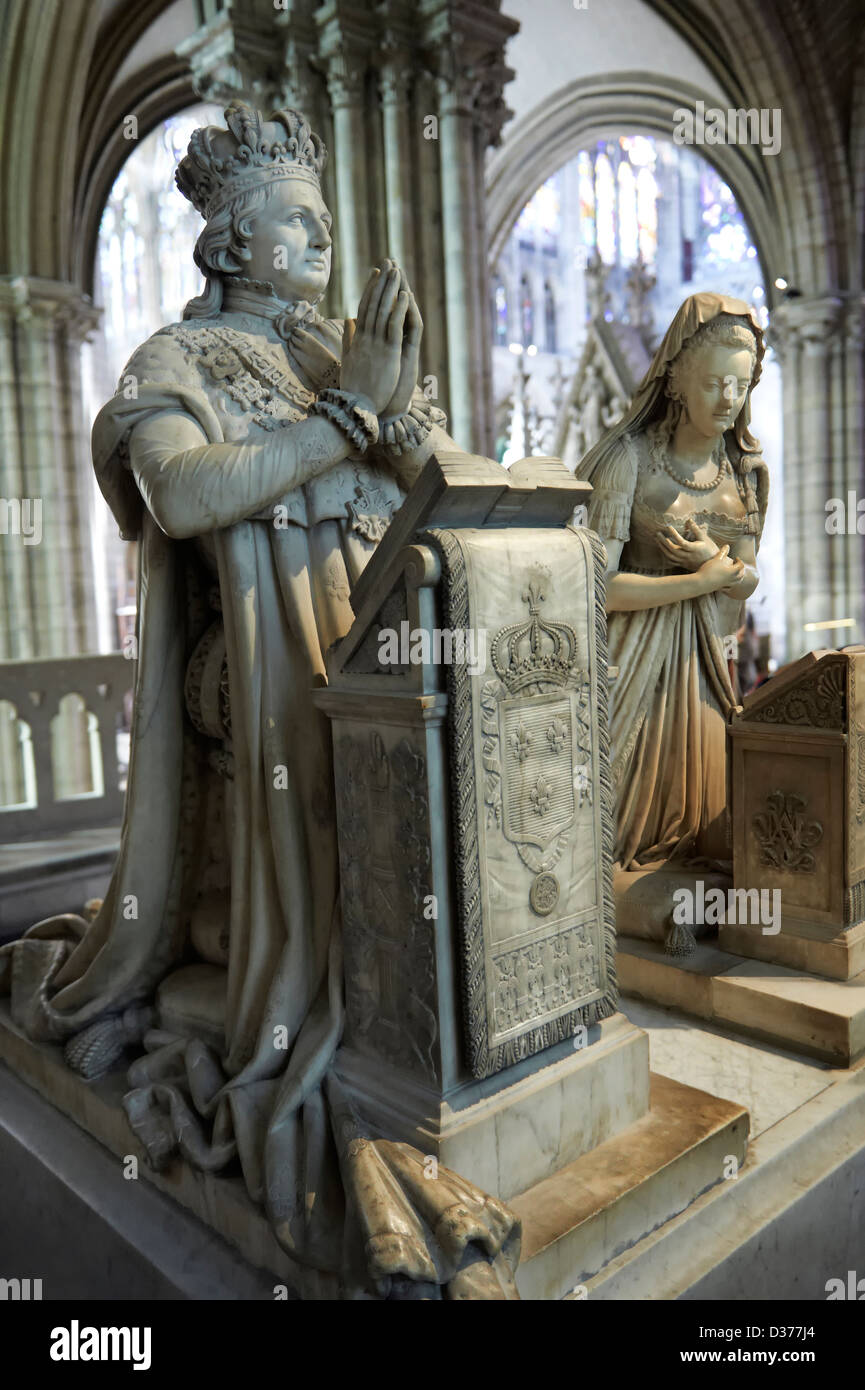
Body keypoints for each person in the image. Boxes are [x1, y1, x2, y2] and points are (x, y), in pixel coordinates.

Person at [0, 103, 519, 1299]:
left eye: (326, 220)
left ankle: (440, 1021)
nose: (322, 239)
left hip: (388, 650)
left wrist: (397, 416)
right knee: (338, 889)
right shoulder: (172, 364)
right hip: (267, 674)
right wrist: (346, 418)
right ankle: (307, 998)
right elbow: (182, 497)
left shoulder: (341, 349)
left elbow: (452, 485)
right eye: (297, 220)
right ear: (232, 246)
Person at [576, 293, 768, 872]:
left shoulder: (747, 471)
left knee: (702, 826)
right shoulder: (625, 461)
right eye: (713, 384)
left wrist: (722, 567)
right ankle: (632, 916)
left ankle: (679, 904)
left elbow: (745, 583)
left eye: (740, 386)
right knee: (616, 839)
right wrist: (701, 579)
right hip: (630, 666)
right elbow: (598, 590)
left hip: (704, 667)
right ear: (677, 381)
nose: (728, 401)